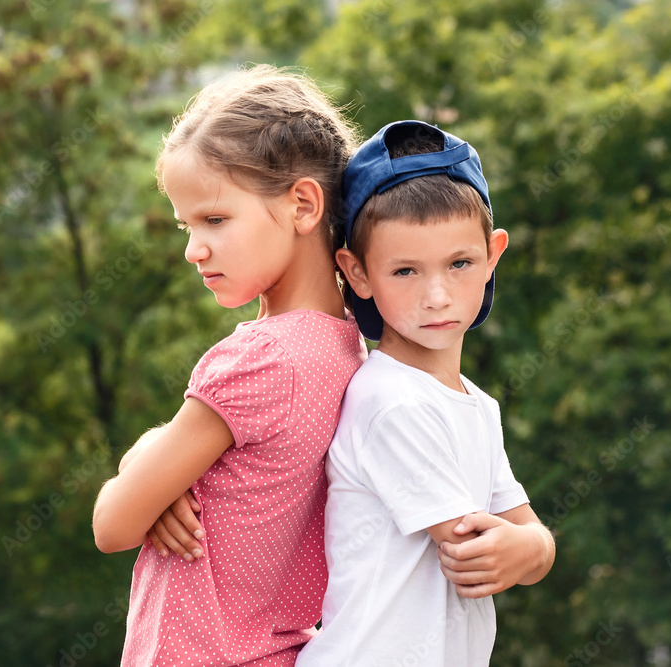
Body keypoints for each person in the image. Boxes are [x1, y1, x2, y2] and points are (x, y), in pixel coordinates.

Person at [92, 65, 368, 666]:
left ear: (302, 204)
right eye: (187, 225)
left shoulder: (257, 358)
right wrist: (161, 478)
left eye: (214, 220)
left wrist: (146, 464)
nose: (194, 248)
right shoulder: (348, 350)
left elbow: (112, 523)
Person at [295, 120, 556, 667]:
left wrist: (530, 548)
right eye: (406, 270)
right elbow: (471, 546)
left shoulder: (476, 405)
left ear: (492, 256)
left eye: (459, 264)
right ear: (358, 273)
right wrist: (526, 549)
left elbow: (523, 534)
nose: (437, 296)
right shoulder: (392, 401)